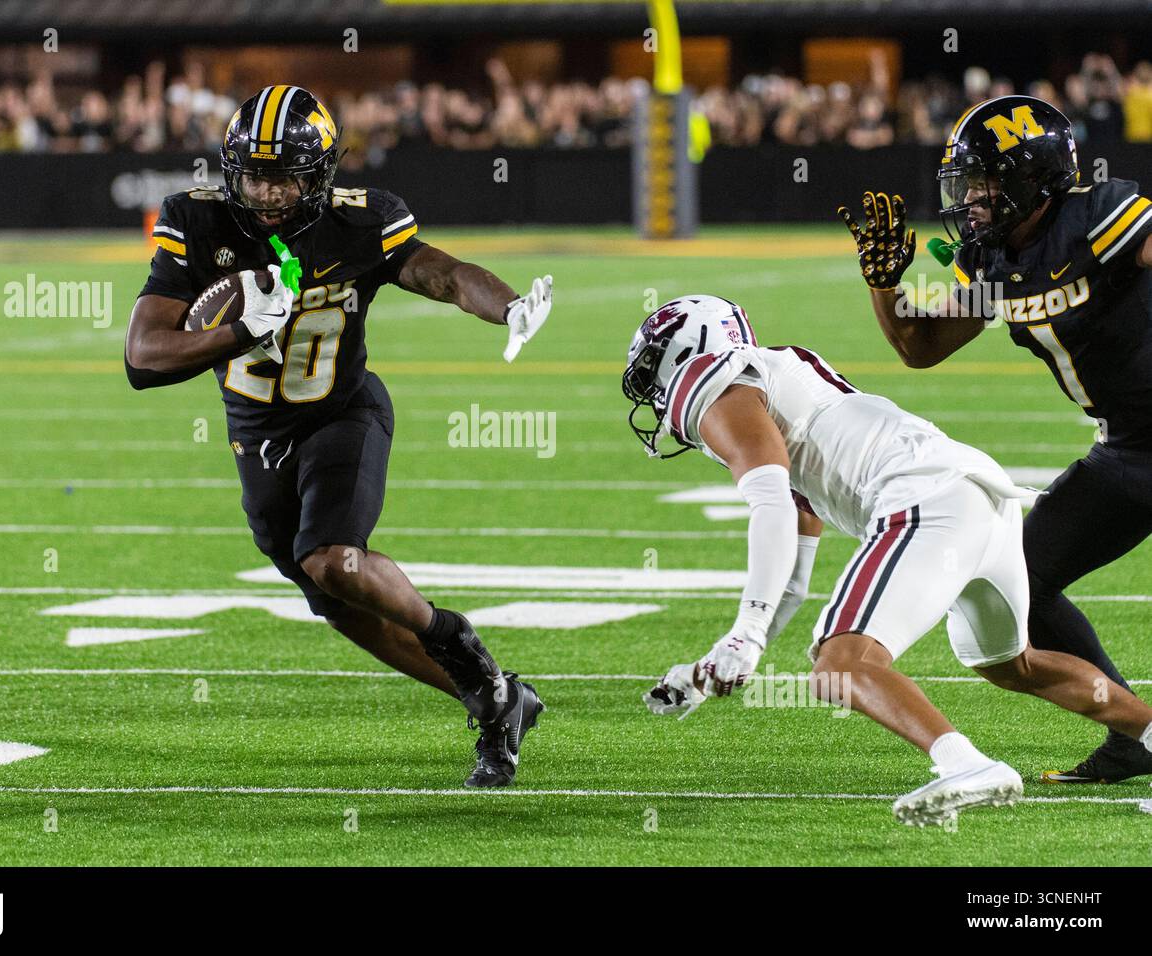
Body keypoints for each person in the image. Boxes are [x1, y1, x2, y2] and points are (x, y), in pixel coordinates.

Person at [125, 85, 553, 787]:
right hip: (256, 434)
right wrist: (241, 330)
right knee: (341, 608)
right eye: (252, 172)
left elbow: (442, 275)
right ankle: (497, 698)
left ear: (321, 174)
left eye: (283, 174)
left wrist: (506, 308)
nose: (264, 191)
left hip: (341, 415)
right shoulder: (195, 222)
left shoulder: (361, 222)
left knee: (332, 561)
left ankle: (457, 640)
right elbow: (143, 358)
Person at [625, 295, 1152, 826]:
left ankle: (965, 764)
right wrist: (718, 661)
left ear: (690, 346)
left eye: (651, 366)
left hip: (925, 498)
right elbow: (793, 572)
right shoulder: (779, 389)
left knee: (841, 666)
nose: (652, 389)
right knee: (1010, 664)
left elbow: (767, 502)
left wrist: (748, 631)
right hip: (977, 494)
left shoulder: (710, 378)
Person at [838, 94, 1152, 783]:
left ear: (1033, 178)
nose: (972, 197)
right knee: (1026, 586)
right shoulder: (992, 261)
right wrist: (884, 286)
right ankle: (1136, 734)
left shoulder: (1096, 220)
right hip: (1130, 450)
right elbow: (920, 348)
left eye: (985, 180)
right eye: (968, 181)